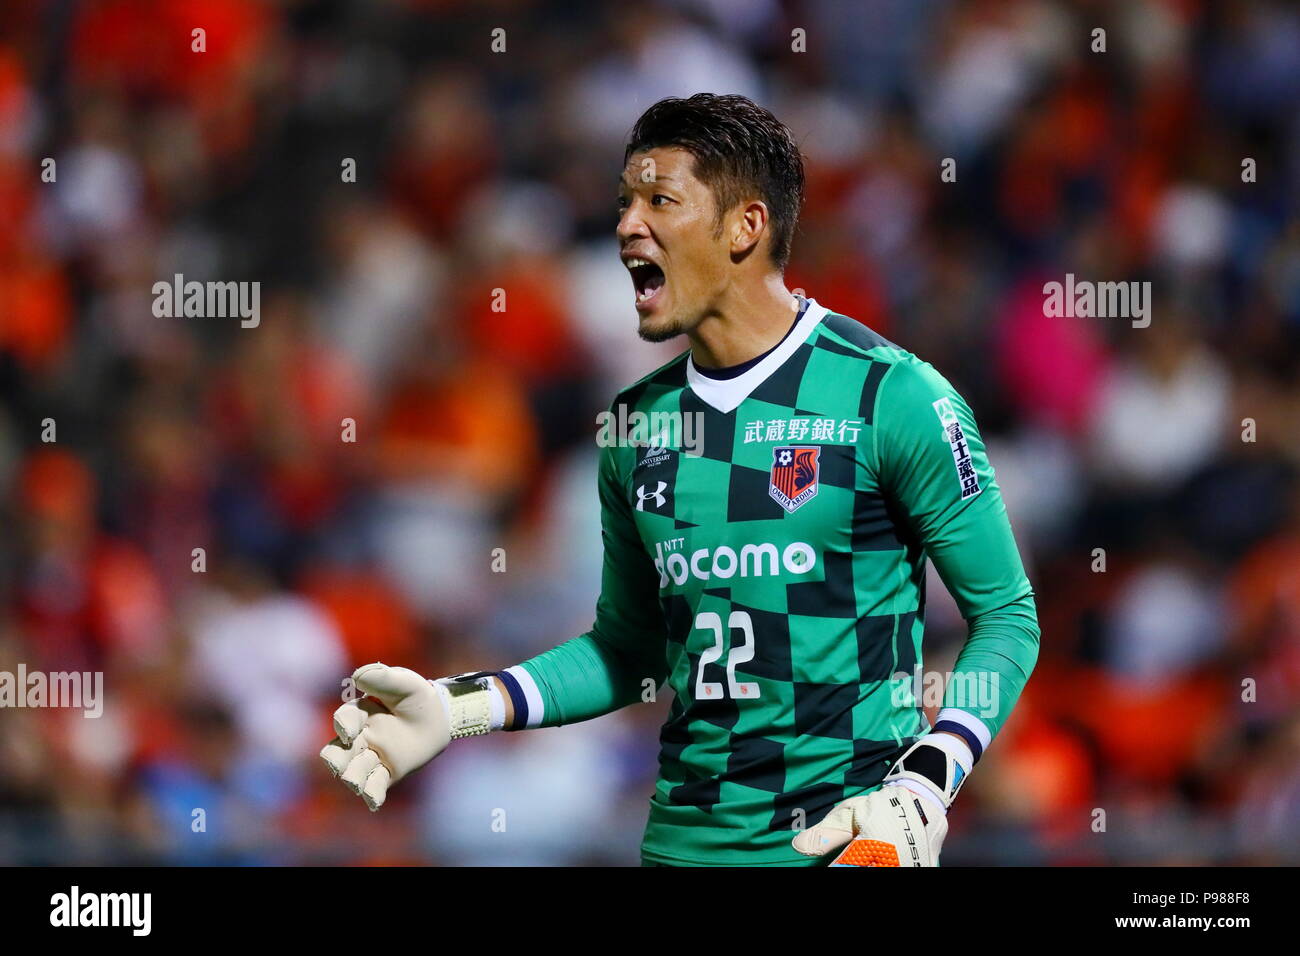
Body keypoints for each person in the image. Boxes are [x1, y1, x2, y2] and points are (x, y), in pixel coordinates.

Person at [321, 93, 1040, 867]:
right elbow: (629, 651)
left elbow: (1006, 618)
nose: (628, 225)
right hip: (678, 851)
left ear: (745, 227)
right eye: (626, 201)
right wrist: (458, 705)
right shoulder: (634, 424)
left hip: (846, 849)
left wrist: (929, 779)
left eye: (660, 200)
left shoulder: (890, 396)